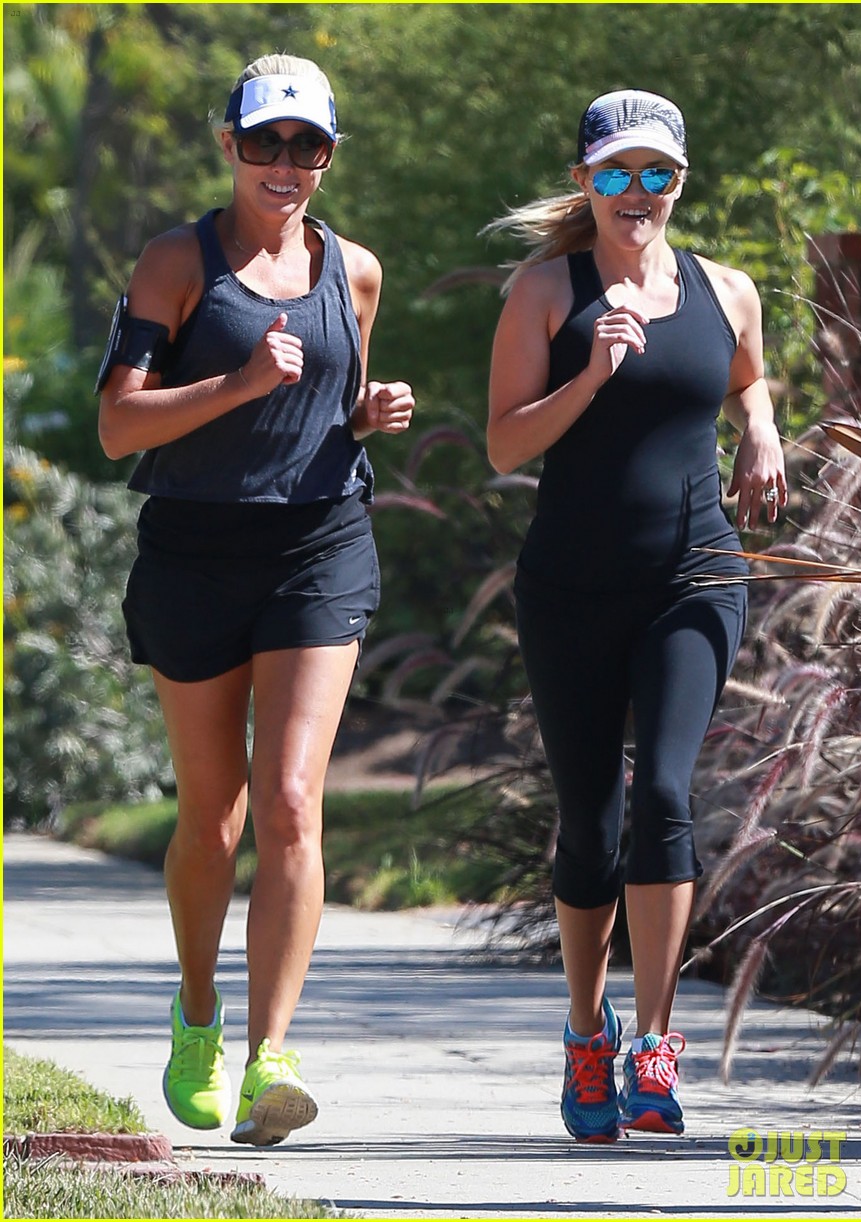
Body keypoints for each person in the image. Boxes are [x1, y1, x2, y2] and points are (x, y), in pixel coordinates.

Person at [97, 54, 414, 1147]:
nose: (286, 164)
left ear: (329, 155)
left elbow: (328, 411)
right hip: (192, 553)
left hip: (319, 546)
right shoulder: (176, 263)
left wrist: (369, 411)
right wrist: (235, 384)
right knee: (214, 814)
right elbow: (118, 426)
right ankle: (198, 1013)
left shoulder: (355, 272)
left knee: (287, 801)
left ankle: (274, 1055)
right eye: (266, 142)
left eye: (308, 146)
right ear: (229, 144)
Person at [485, 89, 786, 1142]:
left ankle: (654, 1044)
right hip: (571, 582)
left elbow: (748, 373)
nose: (638, 193)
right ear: (586, 183)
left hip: (695, 572)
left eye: (658, 173)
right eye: (616, 173)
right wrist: (594, 371)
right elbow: (504, 446)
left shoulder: (726, 289)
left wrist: (760, 426)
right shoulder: (545, 292)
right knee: (590, 824)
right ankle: (586, 1031)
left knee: (663, 788)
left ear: (680, 183)